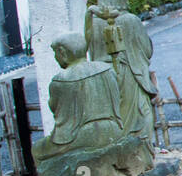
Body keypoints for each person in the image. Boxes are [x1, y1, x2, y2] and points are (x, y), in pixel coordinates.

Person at [86, 0, 156, 167]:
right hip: (127, 73)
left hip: (103, 76)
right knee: (141, 115)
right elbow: (146, 49)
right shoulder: (129, 20)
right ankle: (140, 160)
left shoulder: (94, 23)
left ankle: (117, 160)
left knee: (114, 119)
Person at [32, 32, 124, 164]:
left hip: (80, 135)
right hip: (113, 128)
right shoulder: (107, 68)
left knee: (38, 149)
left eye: (55, 53)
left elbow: (55, 108)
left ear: (62, 53)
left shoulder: (61, 80)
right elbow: (118, 95)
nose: (55, 57)